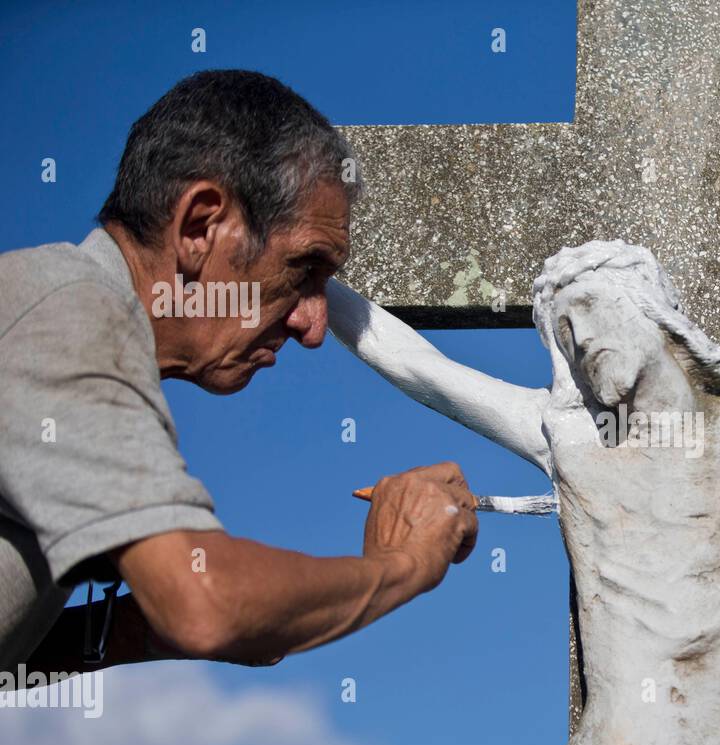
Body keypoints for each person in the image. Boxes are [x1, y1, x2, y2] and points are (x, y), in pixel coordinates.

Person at [0, 70, 478, 676]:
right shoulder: (67, 311)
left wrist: (138, 629)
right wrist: (403, 563)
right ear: (200, 226)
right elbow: (205, 606)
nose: (312, 325)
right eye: (303, 267)